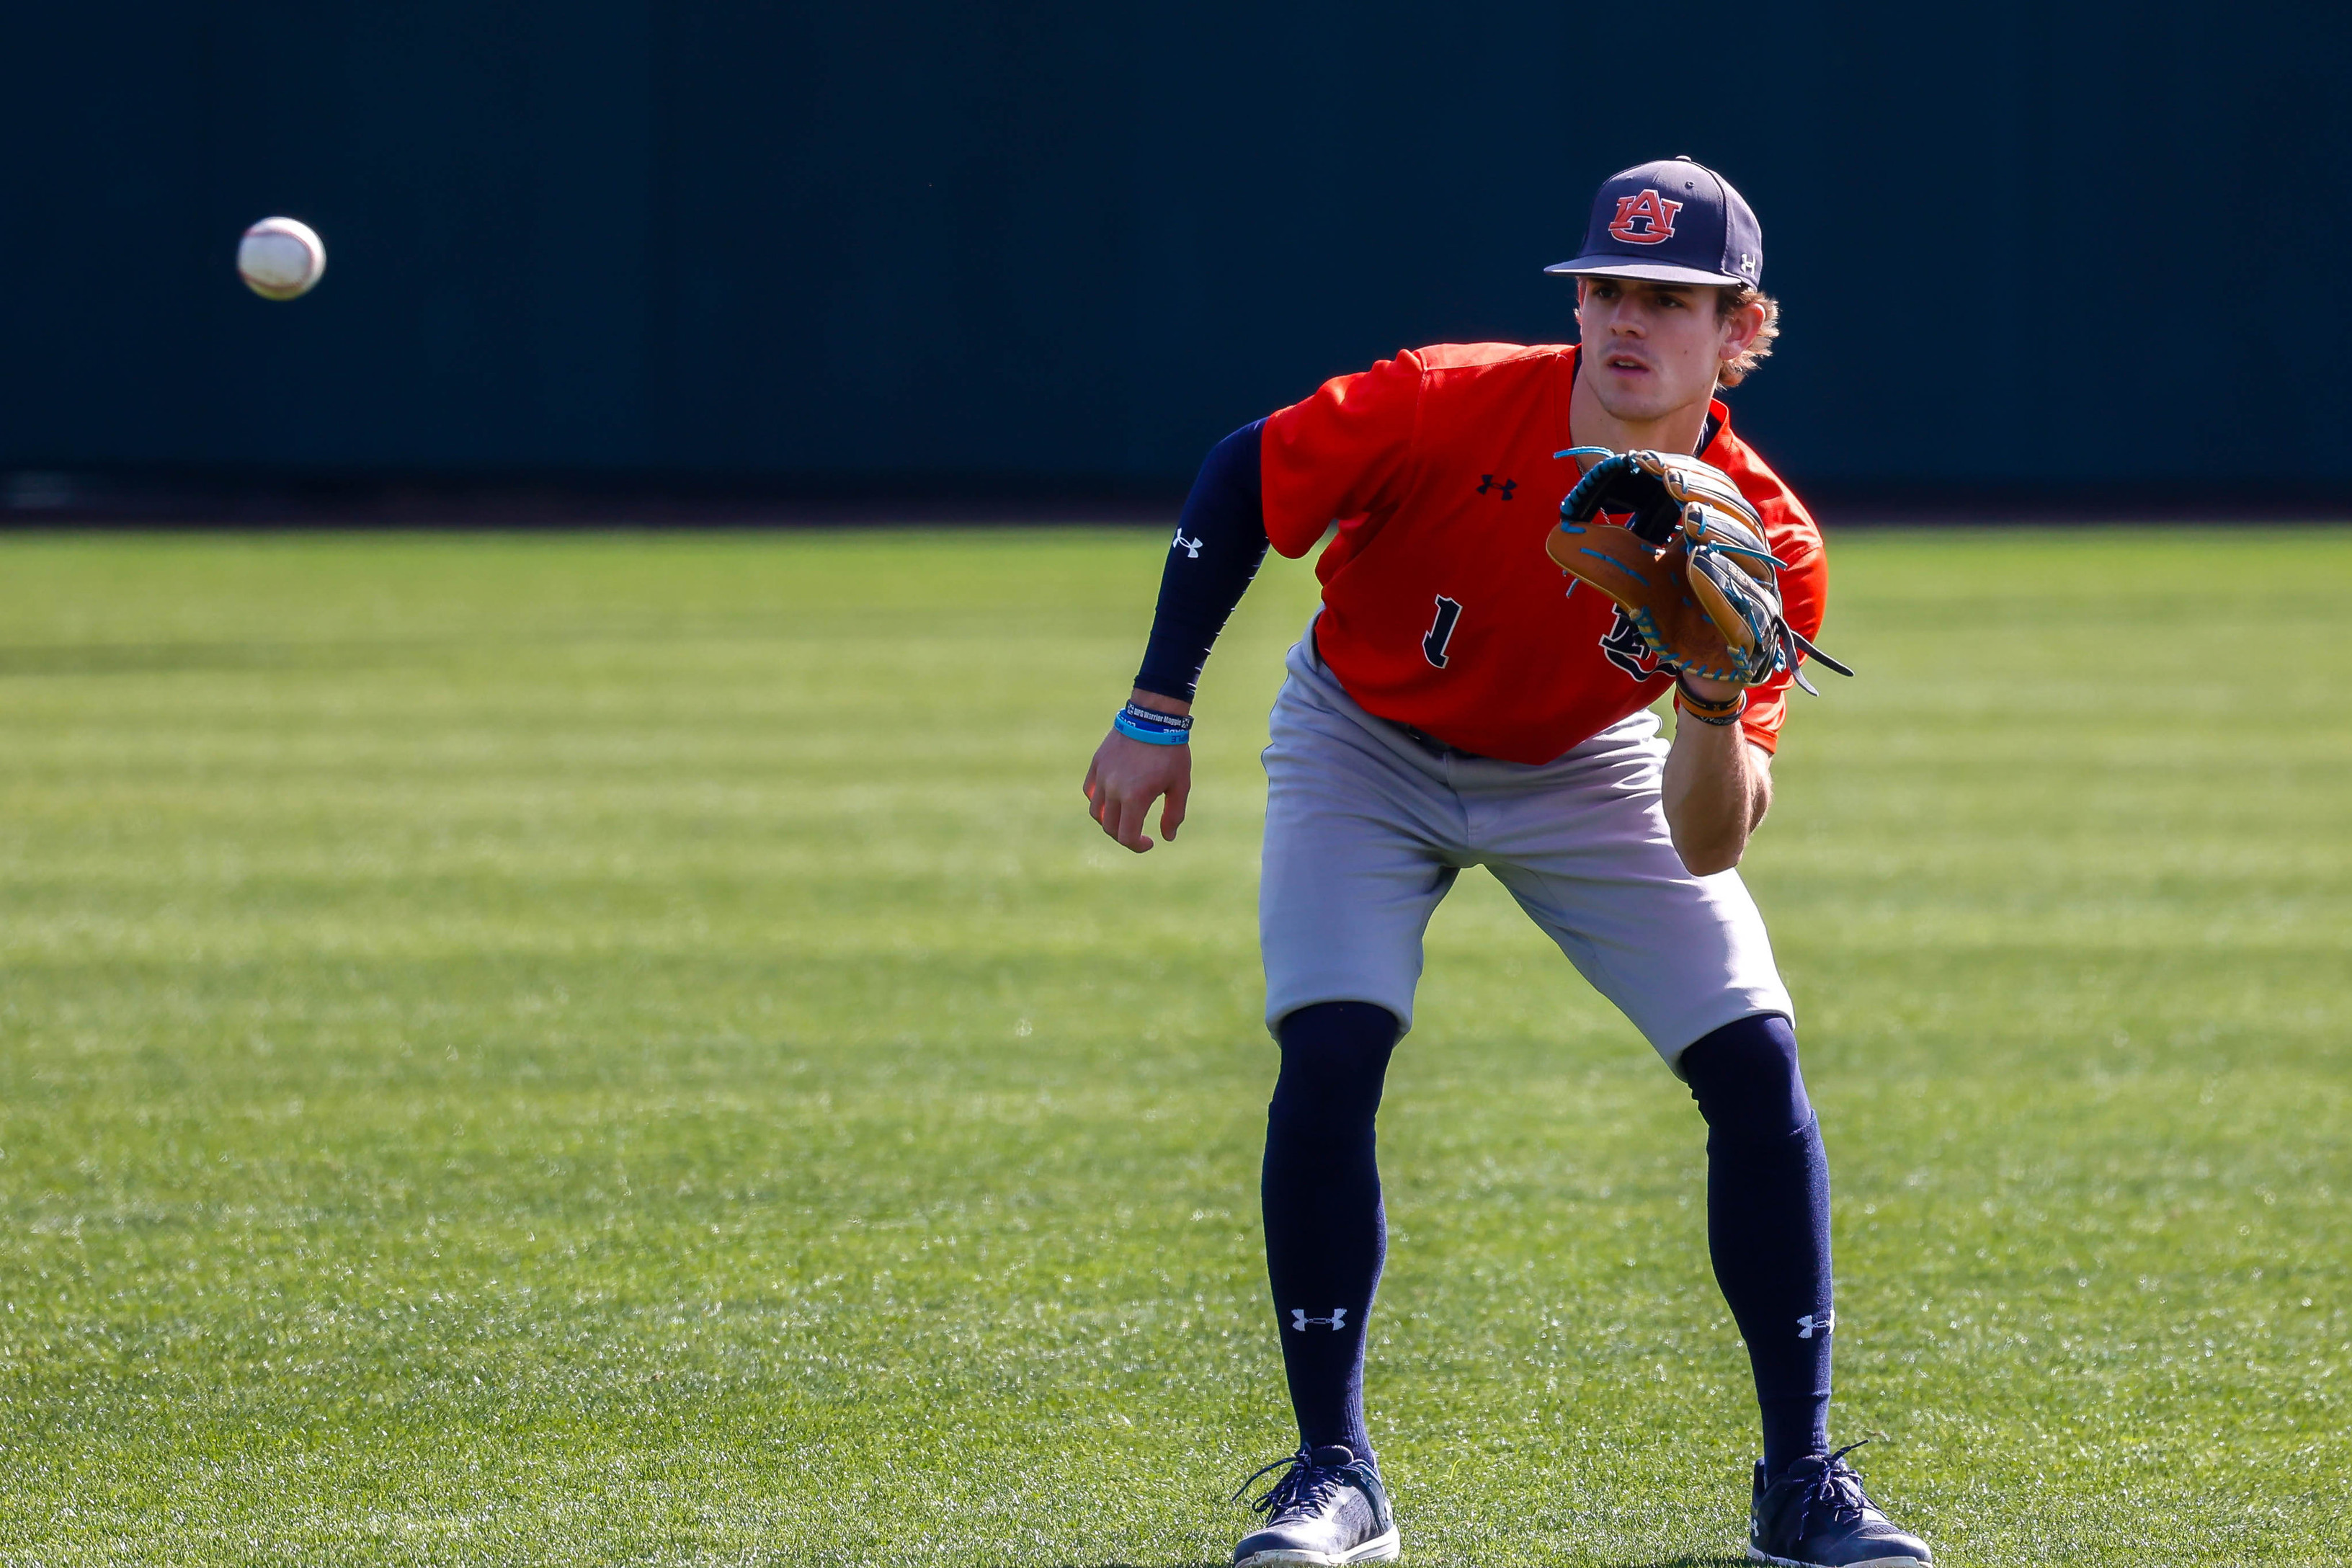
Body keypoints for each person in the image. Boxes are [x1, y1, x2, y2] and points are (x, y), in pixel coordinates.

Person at [1082, 157, 1932, 1568]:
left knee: (1754, 1057)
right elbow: (1247, 468)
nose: (1627, 318)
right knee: (1333, 1041)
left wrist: (1710, 699)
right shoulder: (1443, 400)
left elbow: (1710, 835)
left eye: (1671, 298)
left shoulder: (1765, 536)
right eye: (1607, 287)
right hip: (1363, 736)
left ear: (1739, 330)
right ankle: (1335, 1472)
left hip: (1587, 765)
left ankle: (1801, 1481)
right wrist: (1157, 704)